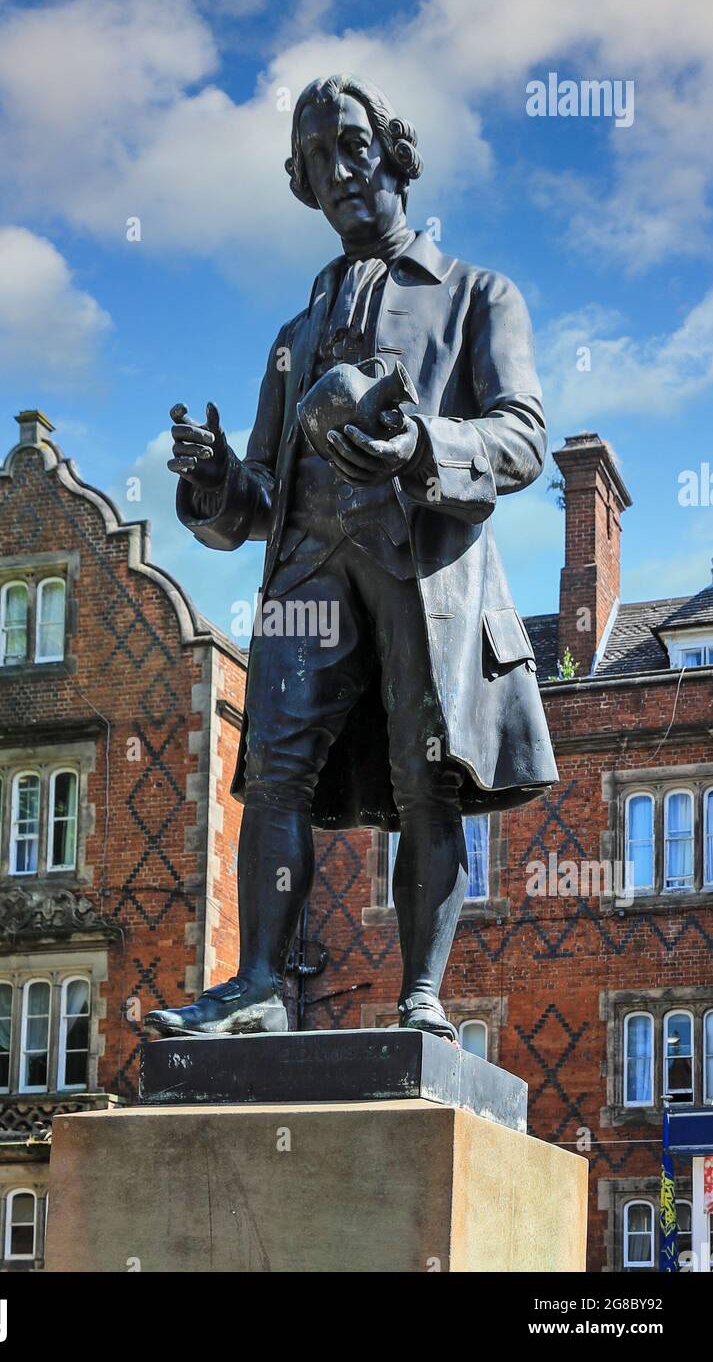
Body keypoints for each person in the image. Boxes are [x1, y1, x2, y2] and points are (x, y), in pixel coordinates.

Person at [145, 74, 557, 1040]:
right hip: (303, 573)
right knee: (274, 773)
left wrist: (421, 445)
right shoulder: (292, 338)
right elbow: (255, 495)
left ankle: (421, 996)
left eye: (350, 146)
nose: (336, 172)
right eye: (313, 161)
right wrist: (211, 483)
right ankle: (253, 987)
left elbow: (524, 438)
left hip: (423, 570)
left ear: (396, 153)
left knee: (426, 776)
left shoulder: (475, 295)